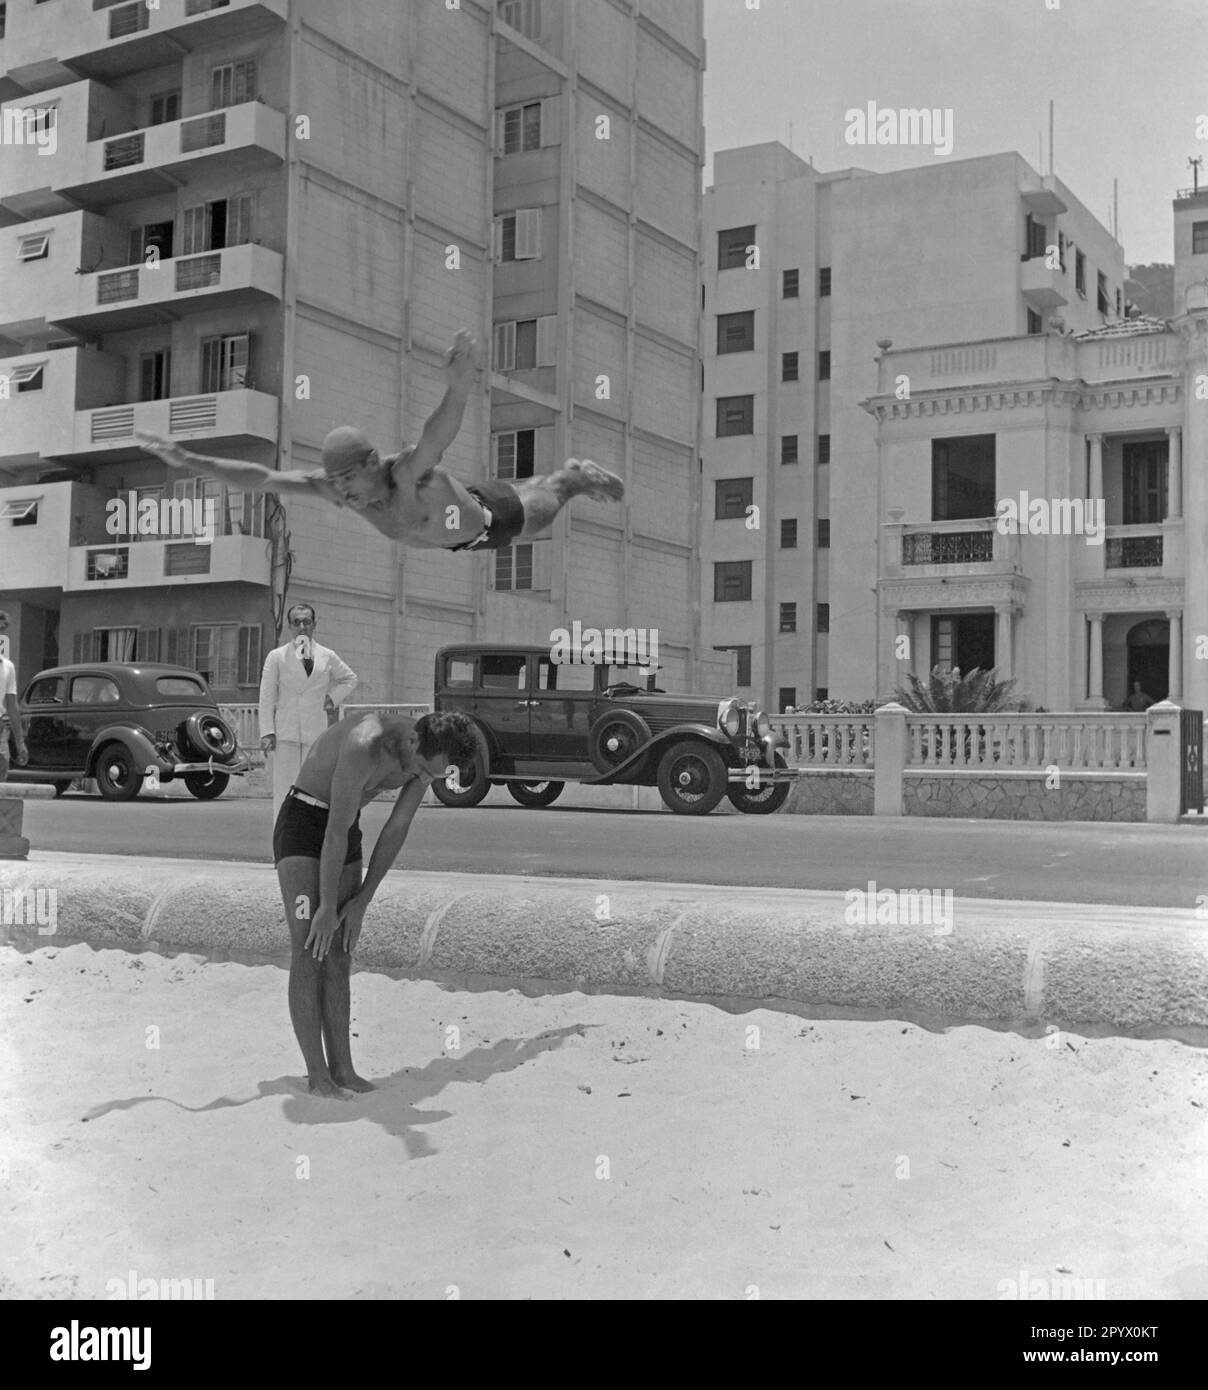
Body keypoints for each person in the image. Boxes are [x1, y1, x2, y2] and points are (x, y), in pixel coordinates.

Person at [134, 330, 624, 554]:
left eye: (348, 478)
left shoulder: (404, 474)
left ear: (373, 462)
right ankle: (561, 479)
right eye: (337, 483)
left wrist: (457, 388)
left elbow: (436, 439)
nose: (344, 492)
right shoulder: (334, 489)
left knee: (548, 506)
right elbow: (261, 478)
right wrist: (188, 458)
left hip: (492, 518)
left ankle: (574, 477)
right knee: (532, 500)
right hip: (464, 539)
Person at [272, 708, 477, 1099]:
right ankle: (317, 1076)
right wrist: (327, 906)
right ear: (415, 741)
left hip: (345, 829)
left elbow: (396, 828)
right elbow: (331, 830)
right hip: (305, 823)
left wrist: (362, 900)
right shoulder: (364, 743)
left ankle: (343, 1070)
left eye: (433, 776)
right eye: (425, 770)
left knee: (340, 953)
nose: (425, 779)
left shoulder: (424, 763)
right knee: (308, 946)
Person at [259, 604, 358, 818]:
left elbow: (350, 679)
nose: (302, 627)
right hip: (285, 735)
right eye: (296, 622)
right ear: (289, 627)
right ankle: (281, 850)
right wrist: (267, 732)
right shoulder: (277, 656)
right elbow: (266, 697)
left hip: (315, 734)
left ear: (314, 625)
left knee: (313, 795)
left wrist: (332, 698)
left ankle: (308, 847)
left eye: (306, 622)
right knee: (284, 795)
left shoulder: (327, 655)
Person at [0, 611, 29, 783]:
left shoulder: (7, 667)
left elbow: (12, 706)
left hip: (1, 731)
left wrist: (20, 742)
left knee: (2, 772)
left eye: (2, 630)